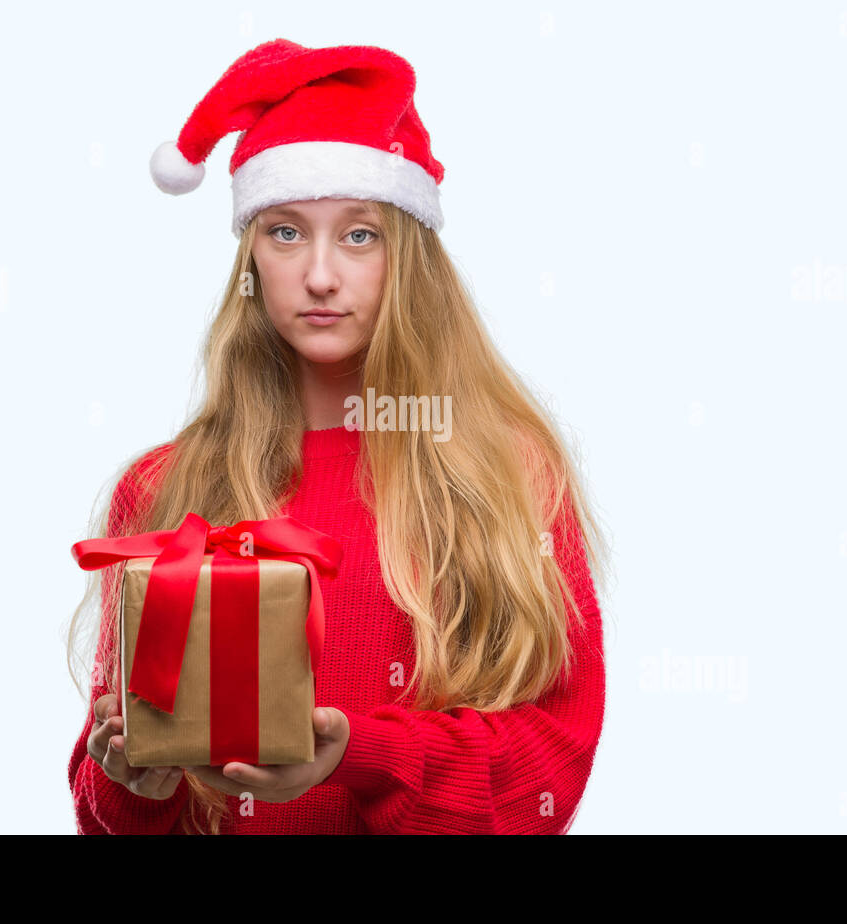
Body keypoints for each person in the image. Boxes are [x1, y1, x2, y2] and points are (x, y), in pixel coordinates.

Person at [65, 38, 611, 835]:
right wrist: (135, 788)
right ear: (249, 255)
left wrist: (358, 753)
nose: (320, 275)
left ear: (407, 256)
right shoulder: (159, 489)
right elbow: (101, 803)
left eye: (360, 235)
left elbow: (549, 766)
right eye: (285, 233)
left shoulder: (507, 472)